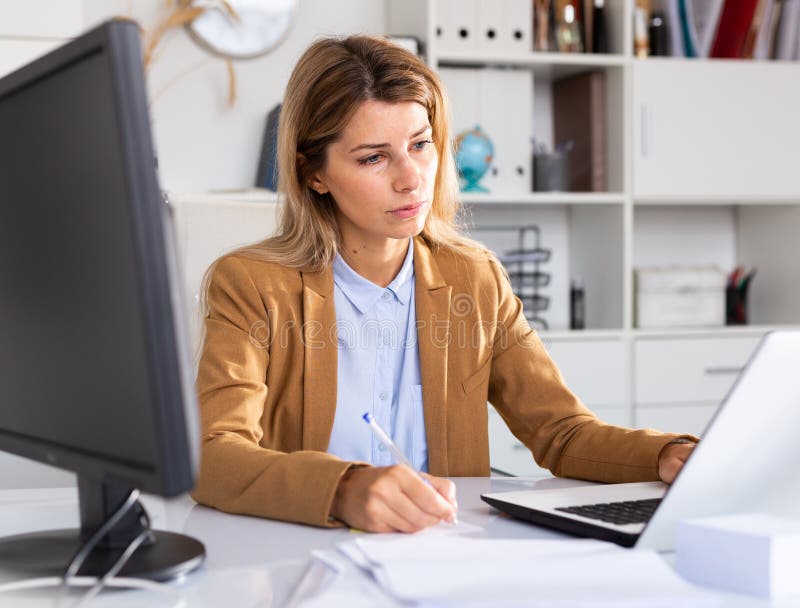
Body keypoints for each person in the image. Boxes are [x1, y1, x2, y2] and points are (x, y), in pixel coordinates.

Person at [191, 34, 697, 533]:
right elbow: (214, 453)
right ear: (313, 174)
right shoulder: (252, 286)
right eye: (373, 157)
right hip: (303, 561)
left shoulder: (474, 279)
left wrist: (667, 454)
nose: (411, 178)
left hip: (446, 558)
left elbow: (561, 432)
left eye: (420, 145)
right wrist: (342, 489)